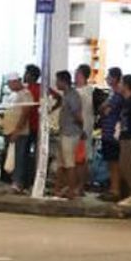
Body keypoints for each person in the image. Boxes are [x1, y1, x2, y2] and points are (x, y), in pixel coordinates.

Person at [51, 70, 85, 199]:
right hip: (64, 132)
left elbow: (78, 115)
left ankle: (72, 190)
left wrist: (81, 129)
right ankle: (58, 188)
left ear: (62, 81)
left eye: (57, 81)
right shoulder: (65, 95)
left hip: (70, 134)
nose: (56, 83)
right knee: (61, 163)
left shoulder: (72, 95)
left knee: (70, 163)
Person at [1, 73, 35, 195]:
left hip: (19, 132)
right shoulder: (13, 95)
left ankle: (18, 183)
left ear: (16, 81)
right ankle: (13, 181)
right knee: (11, 158)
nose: (9, 86)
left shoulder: (26, 94)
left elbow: (25, 113)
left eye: (10, 84)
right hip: (9, 130)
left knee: (19, 158)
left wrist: (17, 130)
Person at [99, 67, 125, 201]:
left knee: (114, 163)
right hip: (107, 132)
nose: (106, 79)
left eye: (109, 77)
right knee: (110, 163)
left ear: (115, 78)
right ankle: (113, 188)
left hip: (113, 134)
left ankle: (116, 190)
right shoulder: (112, 94)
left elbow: (106, 110)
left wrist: (104, 108)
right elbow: (102, 109)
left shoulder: (118, 95)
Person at [73, 64, 97, 193]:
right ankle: (76, 184)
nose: (74, 75)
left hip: (82, 129)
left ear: (81, 75)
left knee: (81, 158)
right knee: (76, 158)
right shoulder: (80, 91)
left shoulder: (85, 92)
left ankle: (80, 185)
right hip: (77, 128)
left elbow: (80, 112)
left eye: (76, 73)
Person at [116, 75, 131, 207]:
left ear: (126, 86)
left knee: (128, 168)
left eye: (121, 83)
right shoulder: (126, 102)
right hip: (125, 138)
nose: (119, 85)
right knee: (124, 167)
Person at [22, 64, 43, 189]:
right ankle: (27, 180)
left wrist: (46, 111)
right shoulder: (26, 89)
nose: (24, 75)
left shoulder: (37, 89)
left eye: (26, 73)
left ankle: (32, 180)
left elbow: (58, 98)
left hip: (32, 126)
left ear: (32, 76)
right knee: (27, 154)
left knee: (28, 154)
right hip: (29, 125)